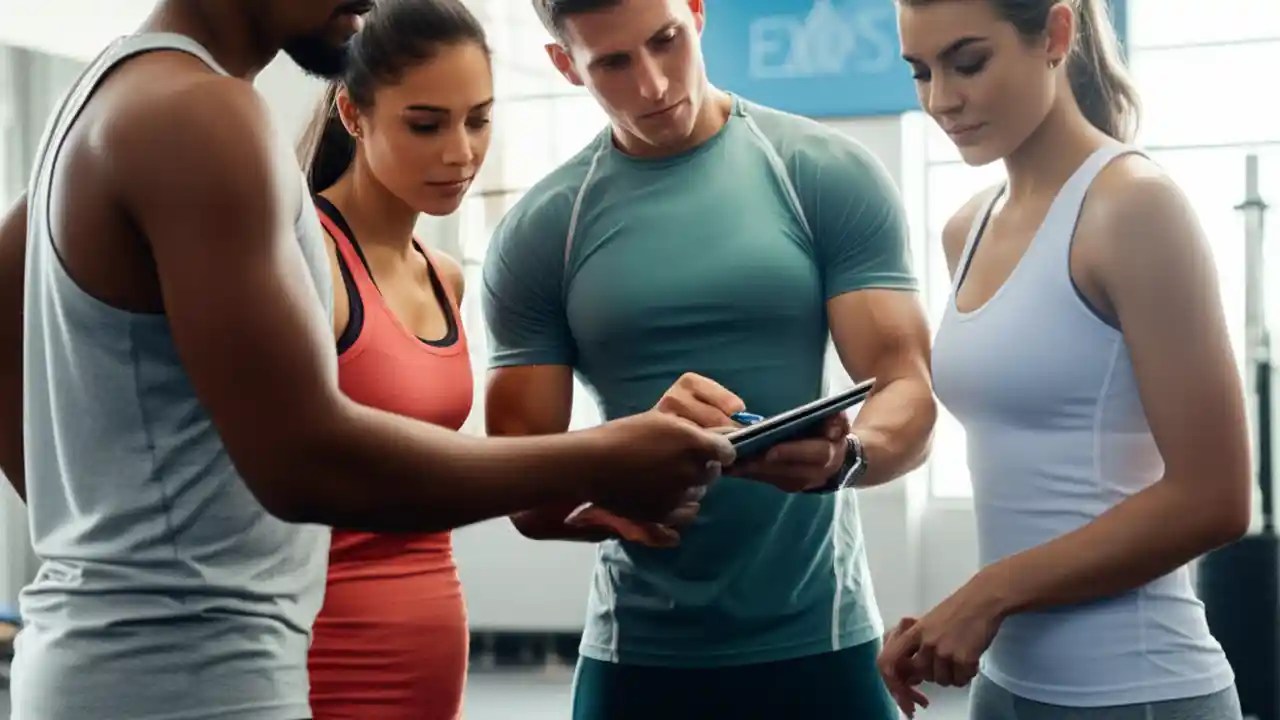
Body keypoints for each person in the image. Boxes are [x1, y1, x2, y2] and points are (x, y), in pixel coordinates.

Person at [0, 0, 740, 717]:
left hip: (122, 656)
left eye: (479, 119)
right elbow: (308, 464)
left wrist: (107, 540)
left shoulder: (104, 96)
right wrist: (606, 455)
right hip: (188, 676)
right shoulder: (200, 114)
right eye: (426, 123)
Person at [481, 1, 937, 718]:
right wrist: (617, 473)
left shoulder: (821, 172)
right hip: (638, 654)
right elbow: (519, 480)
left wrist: (848, 456)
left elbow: (907, 388)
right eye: (613, 63)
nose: (655, 85)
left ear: (696, 9)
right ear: (565, 65)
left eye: (666, 41)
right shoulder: (542, 231)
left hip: (822, 639)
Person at [878, 0, 1250, 718]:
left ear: (1054, 34)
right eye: (921, 72)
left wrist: (988, 593)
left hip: (1141, 691)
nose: (940, 100)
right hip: (1005, 688)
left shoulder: (1134, 208)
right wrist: (950, 621)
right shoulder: (968, 228)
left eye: (968, 62)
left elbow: (1217, 499)